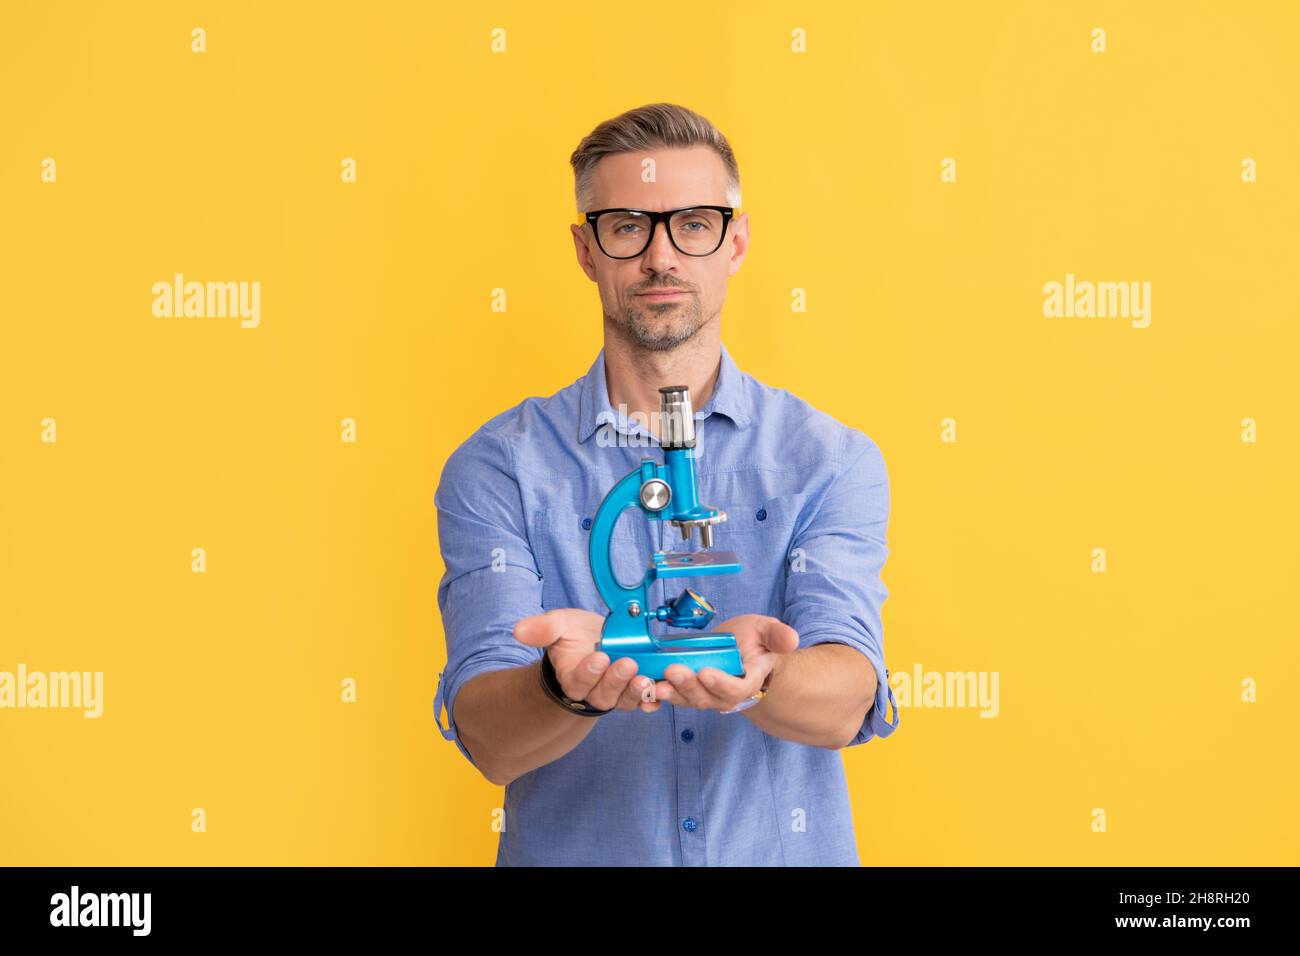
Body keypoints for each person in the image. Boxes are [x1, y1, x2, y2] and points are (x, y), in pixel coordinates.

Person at [433, 102, 899, 866]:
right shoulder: (499, 468)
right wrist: (562, 687)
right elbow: (489, 739)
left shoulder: (829, 460)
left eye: (694, 225)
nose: (662, 257)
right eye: (627, 227)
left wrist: (765, 676)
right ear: (586, 250)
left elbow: (849, 698)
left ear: (735, 243)